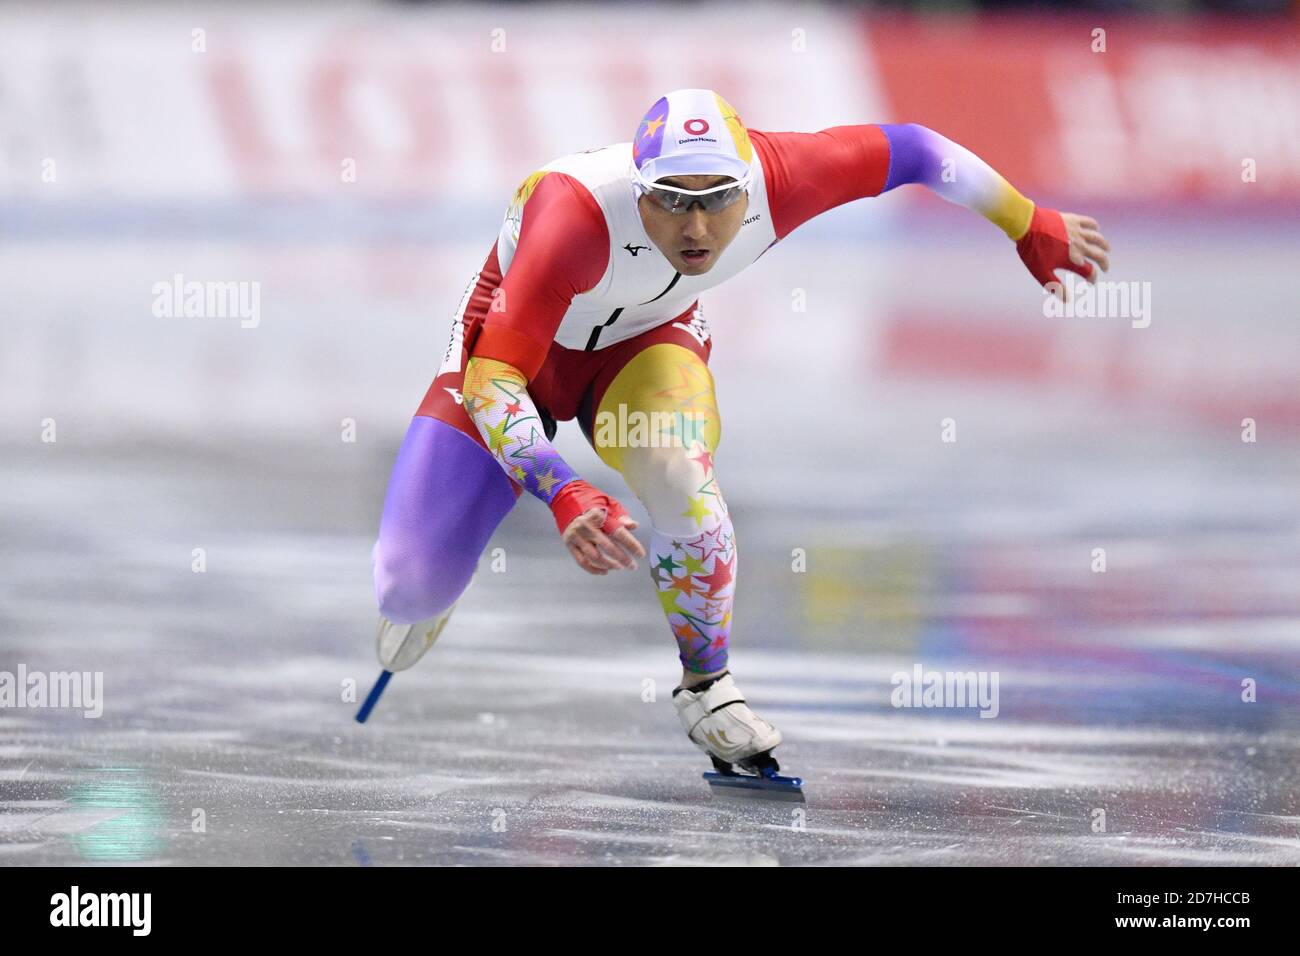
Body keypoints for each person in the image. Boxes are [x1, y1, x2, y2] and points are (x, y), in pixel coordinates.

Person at [369, 88, 1111, 774]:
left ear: (748, 186)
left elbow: (916, 149)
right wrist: (563, 492)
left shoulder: (785, 175)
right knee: (408, 583)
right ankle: (436, 574)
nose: (696, 228)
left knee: (683, 479)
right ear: (638, 192)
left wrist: (1028, 221)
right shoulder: (574, 215)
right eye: (671, 203)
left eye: (719, 201)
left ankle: (708, 685)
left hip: (643, 349)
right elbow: (495, 382)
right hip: (513, 357)